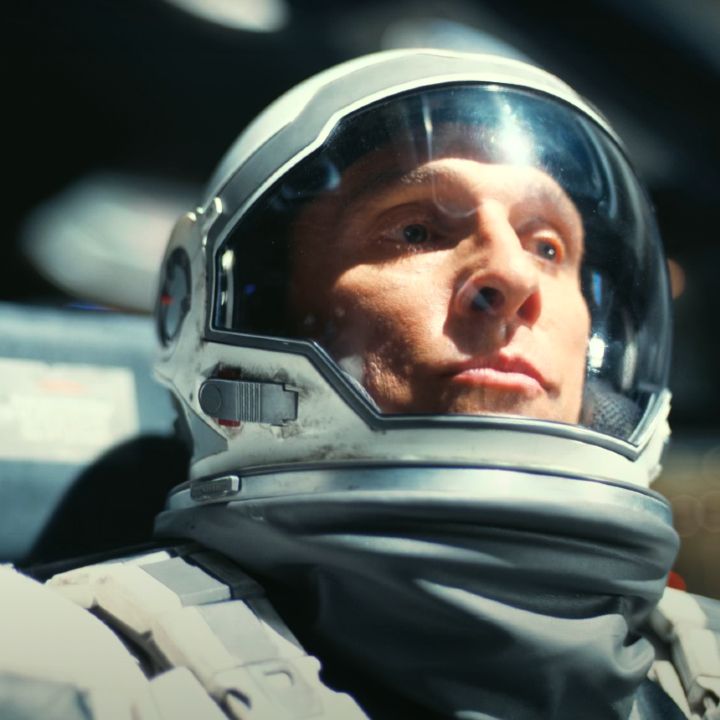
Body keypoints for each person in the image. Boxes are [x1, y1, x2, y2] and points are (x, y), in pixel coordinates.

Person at [2, 49, 719, 720]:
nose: (512, 275)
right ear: (254, 312)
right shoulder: (69, 673)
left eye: (549, 246)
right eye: (416, 231)